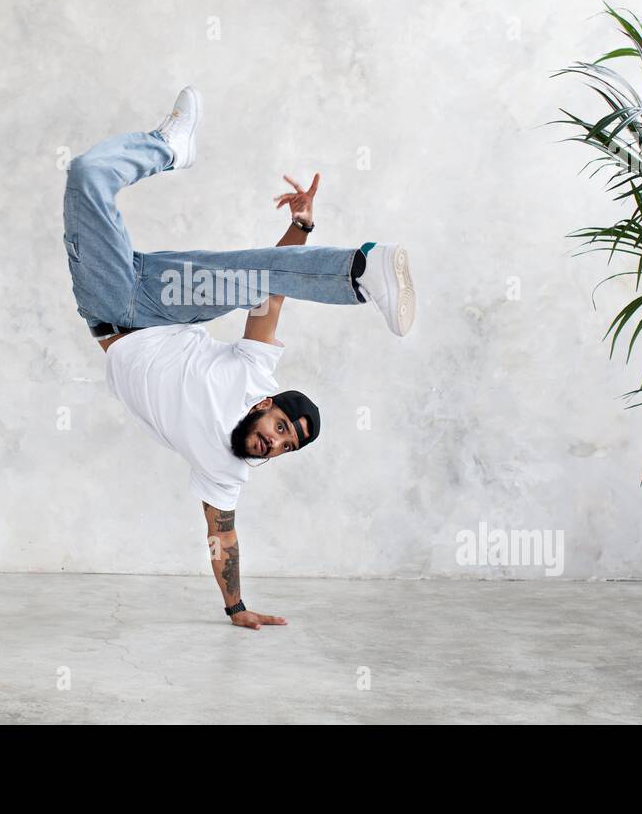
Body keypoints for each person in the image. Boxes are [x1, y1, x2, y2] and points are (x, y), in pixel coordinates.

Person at [62, 86, 416, 629]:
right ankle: (362, 270)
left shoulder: (225, 472)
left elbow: (221, 535)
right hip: (162, 299)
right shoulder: (254, 371)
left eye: (282, 446)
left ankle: (166, 148)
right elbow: (271, 284)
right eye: (278, 427)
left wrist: (236, 608)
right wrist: (301, 226)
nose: (272, 442)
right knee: (258, 282)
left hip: (112, 306)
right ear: (266, 404)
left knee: (88, 176)